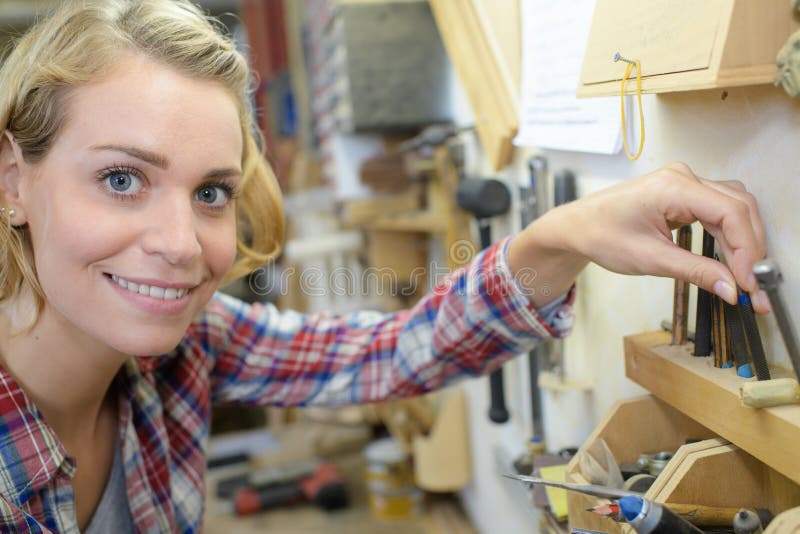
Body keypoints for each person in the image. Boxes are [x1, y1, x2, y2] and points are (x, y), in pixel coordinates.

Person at [0, 1, 768, 533]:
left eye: (209, 192)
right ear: (13, 182)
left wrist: (563, 235)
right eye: (122, 179)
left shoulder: (189, 347)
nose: (179, 242)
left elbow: (387, 356)